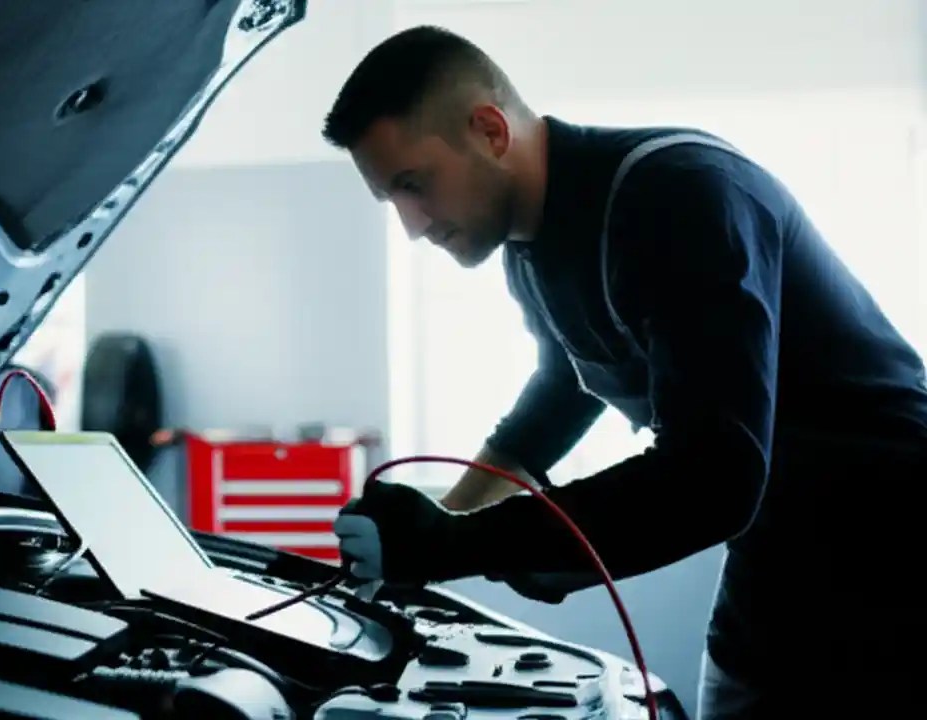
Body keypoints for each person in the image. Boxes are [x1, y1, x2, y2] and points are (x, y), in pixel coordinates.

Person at [325, 25, 927, 719]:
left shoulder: (679, 196)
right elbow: (560, 395)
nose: (413, 225)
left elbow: (713, 475)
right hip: (776, 551)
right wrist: (434, 530)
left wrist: (453, 545)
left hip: (893, 550)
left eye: (413, 185)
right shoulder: (530, 246)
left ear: (490, 130)